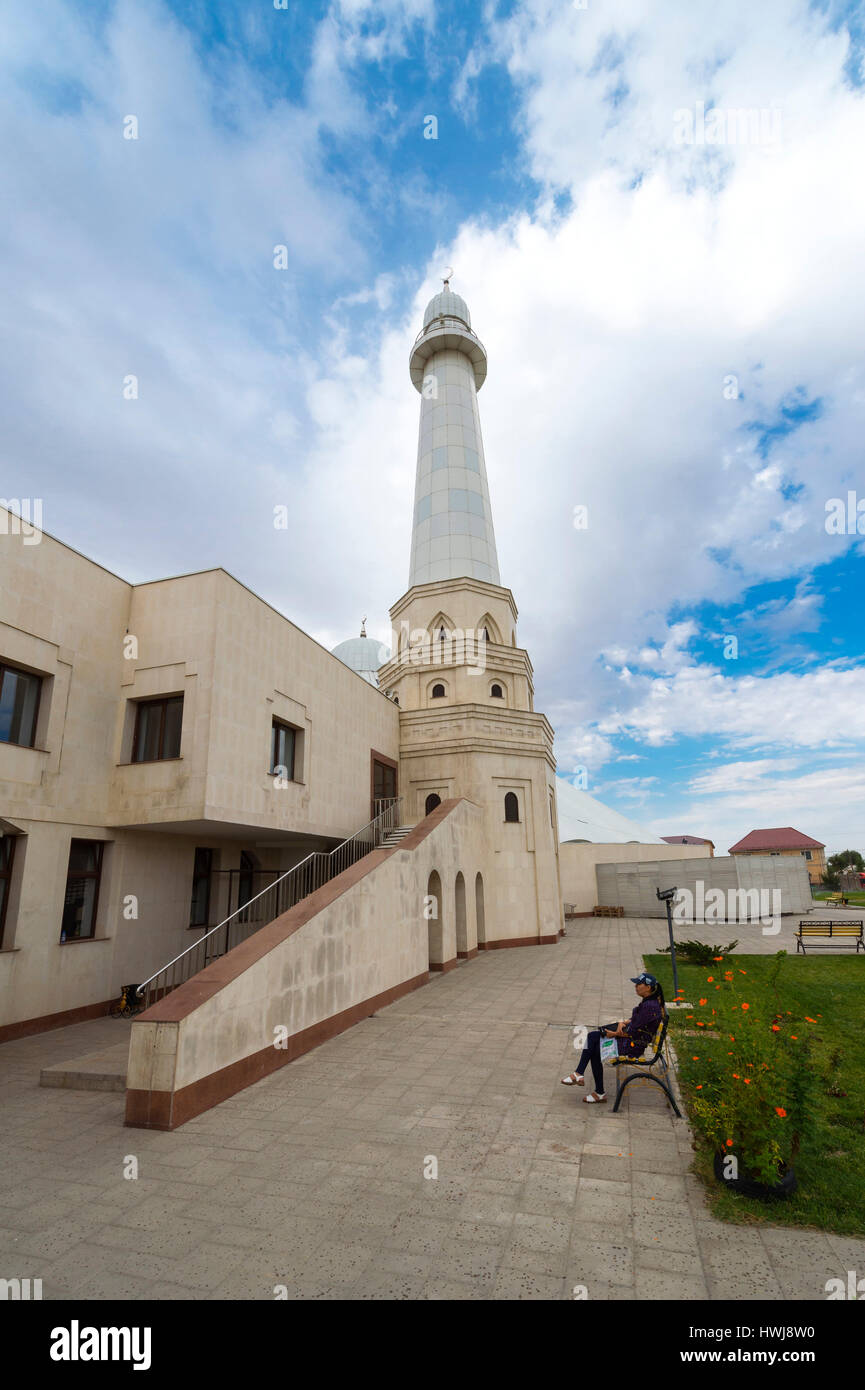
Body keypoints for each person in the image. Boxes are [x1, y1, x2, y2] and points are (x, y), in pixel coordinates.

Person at [561, 971, 665, 1104]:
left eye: (638, 984)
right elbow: (636, 1021)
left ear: (648, 987)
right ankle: (579, 1074)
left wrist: (614, 1033)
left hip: (632, 1045)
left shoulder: (650, 1006)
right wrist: (623, 1023)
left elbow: (633, 1032)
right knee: (592, 1036)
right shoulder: (649, 1002)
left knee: (595, 1050)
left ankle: (596, 1090)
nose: (635, 986)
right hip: (631, 1038)